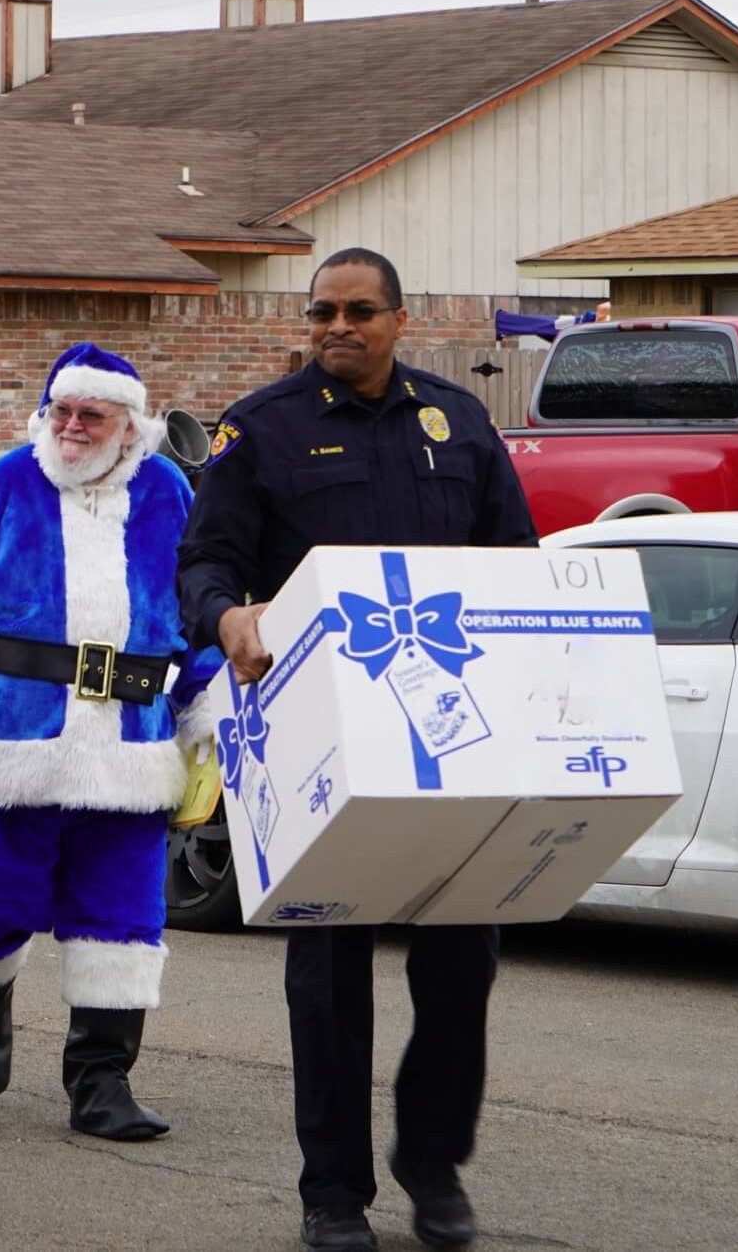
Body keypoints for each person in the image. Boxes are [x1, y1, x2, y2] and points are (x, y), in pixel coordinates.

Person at [177, 248, 537, 1252]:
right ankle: (331, 1194)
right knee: (329, 980)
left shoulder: (456, 421)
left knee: (462, 966)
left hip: (448, 739)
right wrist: (226, 615)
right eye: (321, 310)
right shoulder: (261, 426)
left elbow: (516, 558)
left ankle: (432, 1165)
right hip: (320, 738)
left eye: (358, 310)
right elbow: (205, 556)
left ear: (398, 318)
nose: (336, 326)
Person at [0, 343, 219, 1143]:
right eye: (62, 412)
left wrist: (205, 701)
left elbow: (199, 611)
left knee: (121, 917)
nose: (73, 428)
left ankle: (101, 1080)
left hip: (133, 752)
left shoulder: (168, 493)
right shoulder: (4, 485)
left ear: (131, 425)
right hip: (16, 746)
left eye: (92, 415)